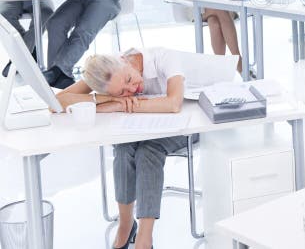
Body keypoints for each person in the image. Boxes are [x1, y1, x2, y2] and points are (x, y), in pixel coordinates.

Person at [56, 48, 237, 249]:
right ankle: (125, 225)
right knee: (124, 148)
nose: (131, 90)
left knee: (149, 150)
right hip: (145, 126)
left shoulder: (164, 58)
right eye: (122, 92)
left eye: (128, 80)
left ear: (124, 60)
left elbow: (174, 104)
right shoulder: (107, 72)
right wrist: (106, 99)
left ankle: (144, 238)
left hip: (194, 121)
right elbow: (58, 101)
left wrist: (118, 105)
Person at [185, 0, 266, 74]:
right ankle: (238, 60)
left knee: (214, 22)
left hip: (224, 10)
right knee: (220, 10)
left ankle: (221, 68)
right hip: (201, 11)